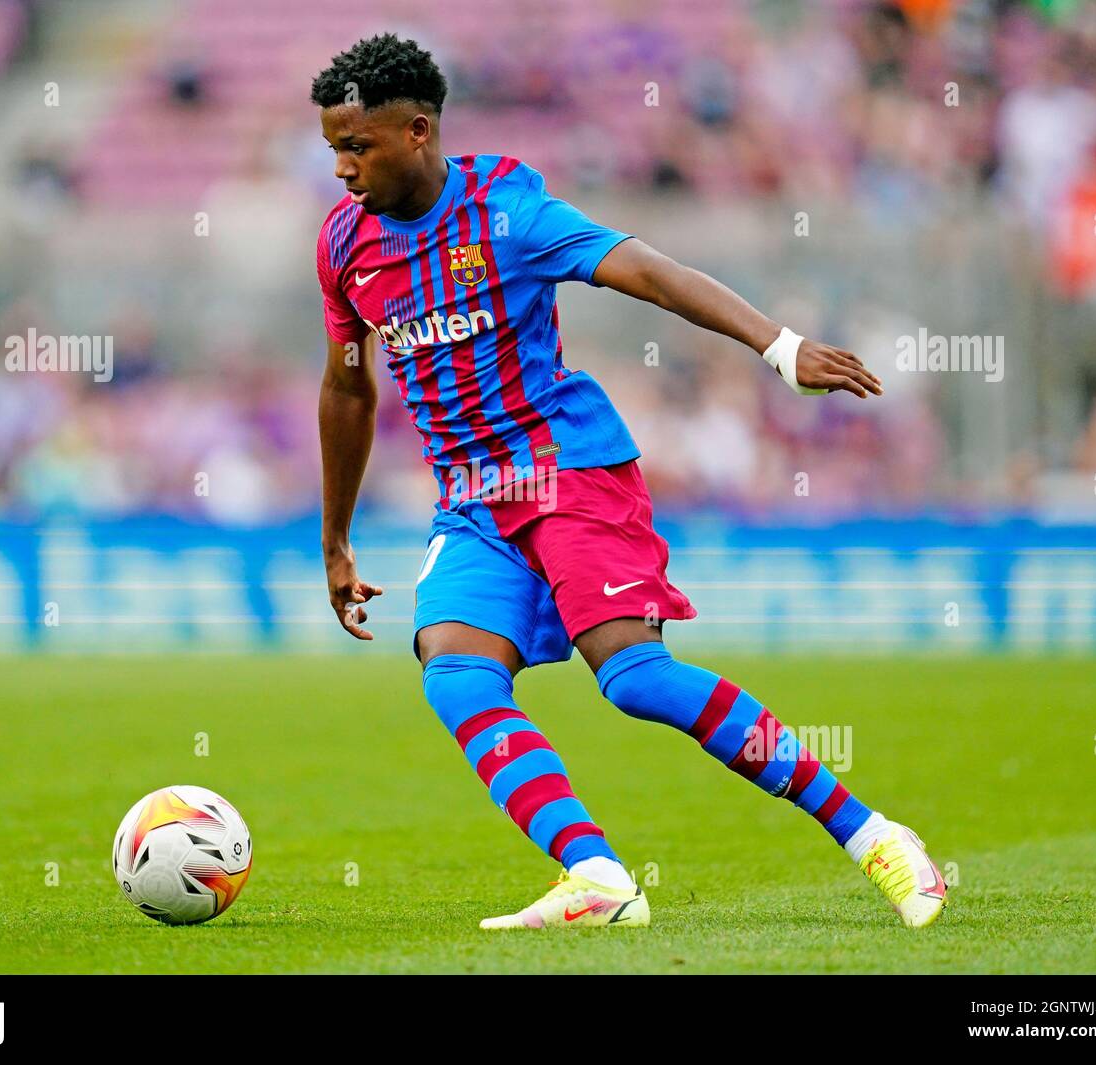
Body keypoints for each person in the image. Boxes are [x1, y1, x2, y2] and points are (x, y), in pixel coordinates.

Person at [312, 34, 945, 930]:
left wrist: (780, 346)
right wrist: (334, 539)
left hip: (564, 468)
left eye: (356, 147)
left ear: (418, 131)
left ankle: (877, 834)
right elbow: (347, 381)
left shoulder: (506, 215)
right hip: (471, 496)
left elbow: (646, 269)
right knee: (453, 668)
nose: (340, 168)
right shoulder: (345, 247)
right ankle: (598, 875)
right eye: (332, 147)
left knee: (637, 679)